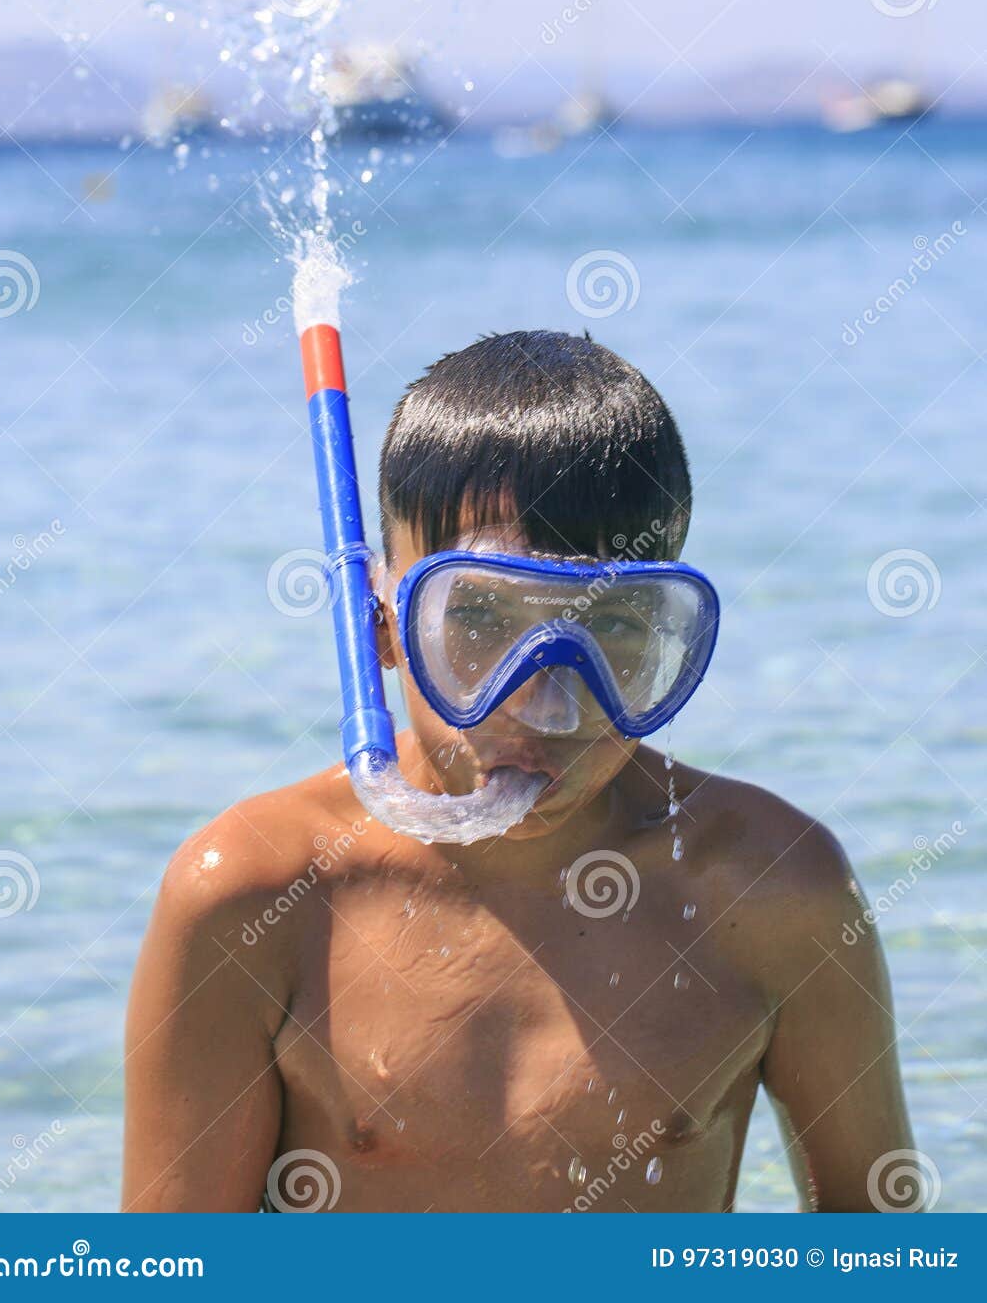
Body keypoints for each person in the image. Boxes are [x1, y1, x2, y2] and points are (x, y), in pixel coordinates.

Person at [122, 330, 912, 1213]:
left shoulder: (771, 888)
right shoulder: (253, 895)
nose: (547, 706)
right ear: (378, 622)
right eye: (480, 615)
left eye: (612, 624)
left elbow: (879, 1253)